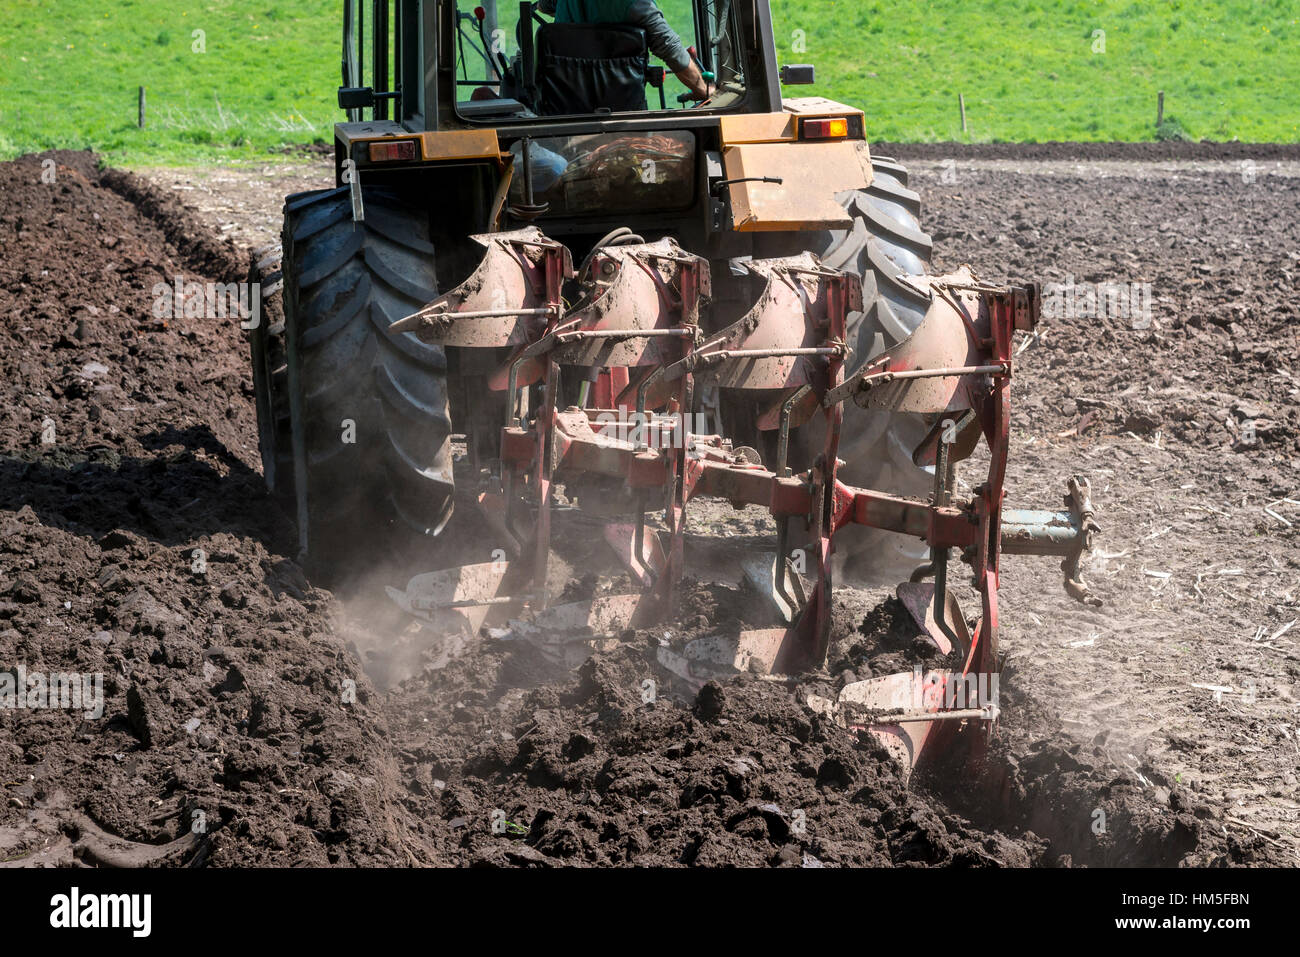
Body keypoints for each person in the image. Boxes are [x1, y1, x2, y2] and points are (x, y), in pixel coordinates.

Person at [539, 0, 712, 100]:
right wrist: (702, 89)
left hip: (566, 110)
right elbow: (669, 48)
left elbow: (544, 6)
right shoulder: (635, 4)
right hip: (625, 112)